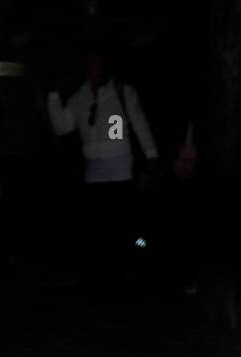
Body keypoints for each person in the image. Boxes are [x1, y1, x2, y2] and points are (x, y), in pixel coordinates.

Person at [46, 45, 159, 281]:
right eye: (89, 60)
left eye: (97, 60)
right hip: (94, 173)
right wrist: (54, 96)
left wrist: (151, 157)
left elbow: (140, 124)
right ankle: (102, 278)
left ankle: (129, 273)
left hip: (121, 171)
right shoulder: (80, 96)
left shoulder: (122, 91)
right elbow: (63, 126)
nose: (93, 65)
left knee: (124, 228)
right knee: (99, 231)